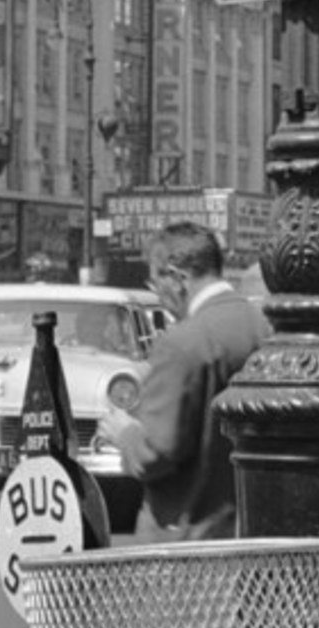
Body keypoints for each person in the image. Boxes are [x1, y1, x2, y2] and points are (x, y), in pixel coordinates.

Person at [95, 220, 265, 540]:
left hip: (186, 537)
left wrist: (125, 433)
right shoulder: (262, 328)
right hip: (248, 528)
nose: (158, 295)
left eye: (155, 283)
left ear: (176, 278)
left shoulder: (181, 343)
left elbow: (156, 453)